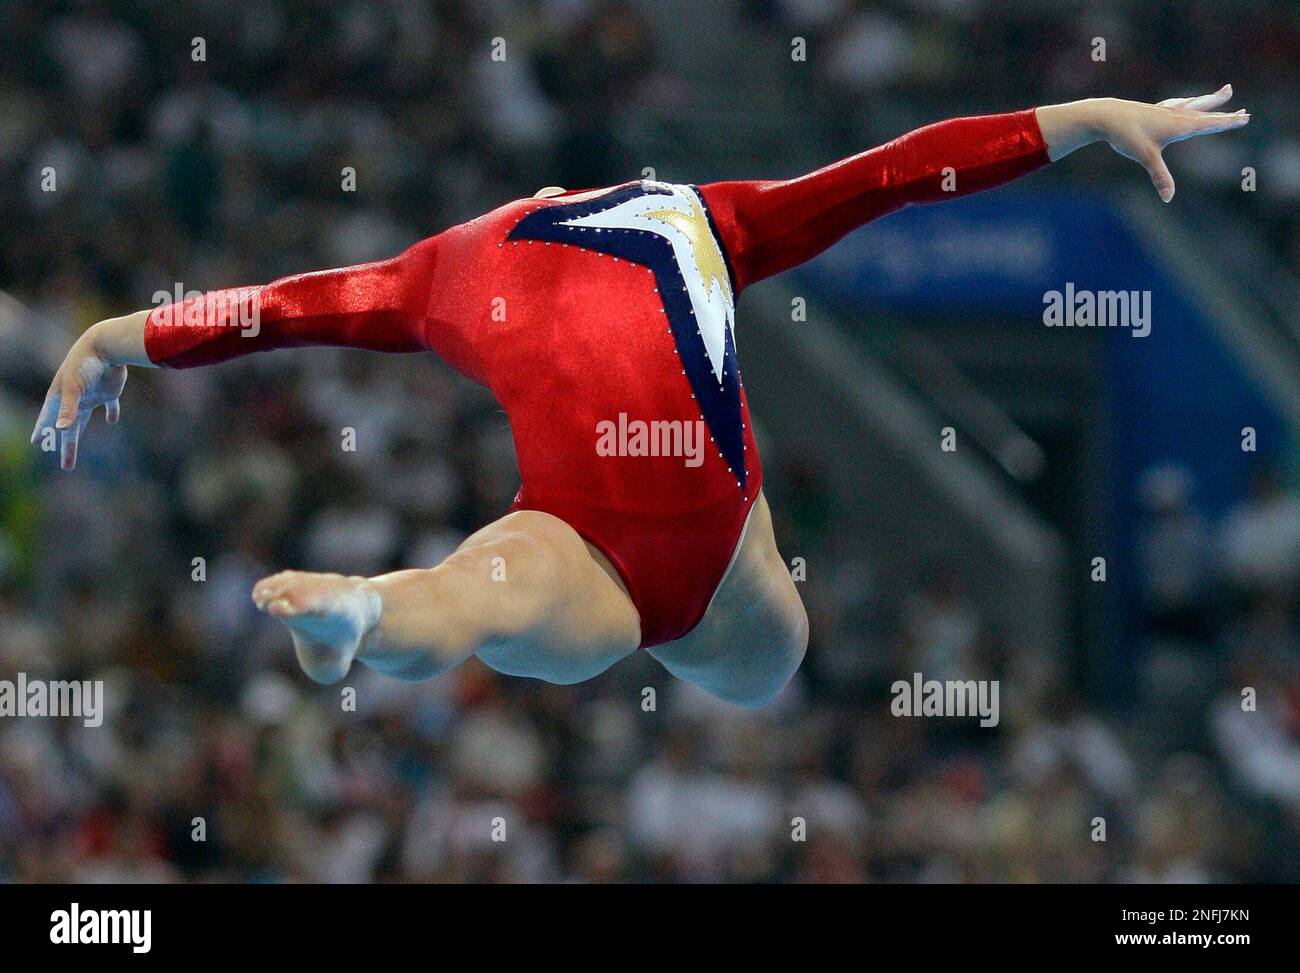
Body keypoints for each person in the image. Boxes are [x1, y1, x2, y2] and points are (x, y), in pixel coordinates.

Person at [32, 89, 1248, 707]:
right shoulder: (693, 215)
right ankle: (360, 616)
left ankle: (359, 613)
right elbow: (887, 176)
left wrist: (119, 337)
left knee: (473, 598)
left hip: (578, 549)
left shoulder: (447, 267)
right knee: (768, 665)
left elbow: (281, 307)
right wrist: (1076, 121)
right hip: (717, 560)